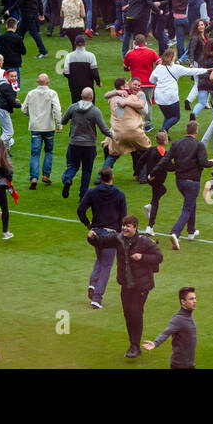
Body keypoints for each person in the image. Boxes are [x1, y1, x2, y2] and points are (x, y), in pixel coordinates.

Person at [88, 215, 163, 359]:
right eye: (123, 225)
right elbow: (102, 242)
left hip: (141, 286)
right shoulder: (119, 239)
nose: (124, 228)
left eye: (128, 226)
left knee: (135, 313)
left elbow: (159, 257)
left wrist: (142, 257)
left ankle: (135, 346)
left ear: (135, 227)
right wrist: (92, 238)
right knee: (128, 314)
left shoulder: (144, 242)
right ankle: (133, 345)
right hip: (126, 285)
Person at [153, 119, 213, 246]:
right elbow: (203, 163)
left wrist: (153, 172)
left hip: (180, 181)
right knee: (187, 208)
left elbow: (165, 161)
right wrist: (212, 162)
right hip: (193, 182)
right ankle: (175, 233)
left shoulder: (176, 144)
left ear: (186, 131)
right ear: (196, 132)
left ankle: (191, 232)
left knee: (191, 204)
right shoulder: (199, 145)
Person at [79, 166, 127, 309]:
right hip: (111, 235)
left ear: (100, 177)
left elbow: (81, 210)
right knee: (106, 265)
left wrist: (88, 224)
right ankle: (97, 298)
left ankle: (93, 285)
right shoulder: (119, 194)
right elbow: (124, 217)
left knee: (100, 260)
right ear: (112, 177)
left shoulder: (93, 192)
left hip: (95, 233)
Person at [61, 87, 112, 202]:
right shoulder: (95, 111)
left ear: (81, 95)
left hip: (74, 143)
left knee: (72, 166)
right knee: (86, 171)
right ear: (92, 97)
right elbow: (103, 128)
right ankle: (83, 195)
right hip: (89, 145)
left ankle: (67, 179)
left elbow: (63, 121)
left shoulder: (73, 108)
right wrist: (113, 135)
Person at [20, 73, 62, 189]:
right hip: (48, 127)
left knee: (35, 153)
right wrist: (59, 124)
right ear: (47, 82)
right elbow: (57, 110)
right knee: (48, 151)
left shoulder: (31, 93)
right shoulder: (52, 93)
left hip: (35, 127)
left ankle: (34, 177)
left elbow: (24, 109)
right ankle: (46, 175)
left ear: (37, 82)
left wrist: (32, 114)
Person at [142, 286, 197, 369]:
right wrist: (155, 343)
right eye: (191, 299)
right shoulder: (178, 319)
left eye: (195, 298)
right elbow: (166, 333)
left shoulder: (188, 316)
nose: (195, 301)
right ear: (183, 302)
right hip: (180, 366)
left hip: (188, 365)